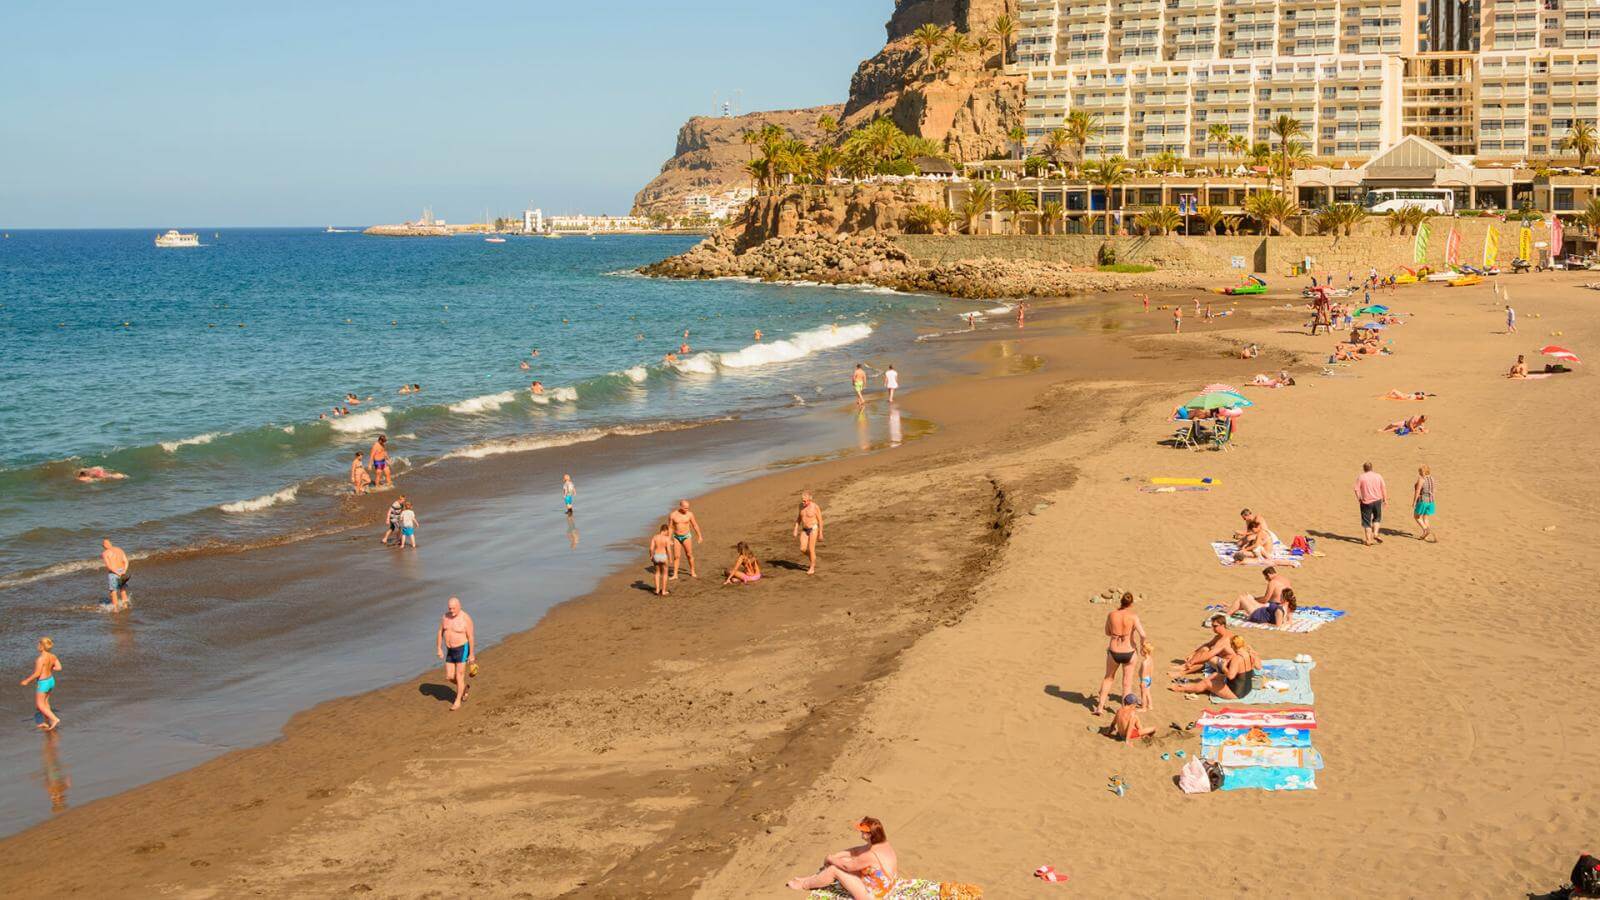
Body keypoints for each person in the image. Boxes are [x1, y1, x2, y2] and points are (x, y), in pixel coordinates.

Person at [785, 817, 898, 898]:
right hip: (884, 886)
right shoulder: (882, 844)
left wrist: (830, 859)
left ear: (868, 834)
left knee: (834, 870)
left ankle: (805, 885)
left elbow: (847, 867)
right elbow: (855, 851)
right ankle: (812, 878)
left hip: (875, 896)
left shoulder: (870, 855)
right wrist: (836, 856)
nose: (861, 834)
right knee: (842, 860)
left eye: (862, 832)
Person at [1094, 592, 1148, 716]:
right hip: (1129, 651)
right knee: (1127, 683)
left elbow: (1107, 632)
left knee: (1108, 678)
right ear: (1131, 603)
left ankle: (1100, 707)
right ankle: (1125, 710)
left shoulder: (1112, 615)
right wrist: (1142, 646)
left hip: (1114, 651)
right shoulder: (1133, 616)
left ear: (1121, 602)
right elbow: (1143, 634)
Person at [1171, 635, 1260, 699]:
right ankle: (1193, 686)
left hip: (1236, 693)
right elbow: (1258, 666)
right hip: (1248, 688)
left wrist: (1224, 666)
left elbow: (1230, 676)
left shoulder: (1236, 659)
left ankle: (1182, 688)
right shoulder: (1250, 654)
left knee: (1207, 683)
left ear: (1233, 646)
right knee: (1215, 675)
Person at [435, 597, 476, 711]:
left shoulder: (465, 618)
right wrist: (439, 648)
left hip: (462, 648)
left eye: (454, 608)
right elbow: (440, 632)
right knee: (449, 676)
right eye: (450, 608)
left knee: (459, 675)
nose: (451, 611)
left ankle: (457, 701)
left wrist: (471, 654)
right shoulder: (445, 617)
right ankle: (464, 688)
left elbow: (471, 637)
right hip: (450, 650)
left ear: (459, 606)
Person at [21, 637, 62, 731]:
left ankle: (55, 719)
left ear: (42, 646)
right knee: (45, 702)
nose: (37, 646)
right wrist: (51, 668)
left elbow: (37, 673)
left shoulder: (40, 659)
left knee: (40, 705)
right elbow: (59, 668)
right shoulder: (53, 656)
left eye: (38, 644)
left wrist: (26, 681)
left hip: (43, 683)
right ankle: (46, 722)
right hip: (51, 681)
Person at [1355, 461, 1388, 546]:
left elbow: (1356, 489)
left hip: (1366, 502)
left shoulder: (1361, 477)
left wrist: (1359, 498)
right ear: (1371, 468)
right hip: (1377, 500)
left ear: (1364, 468)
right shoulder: (1378, 476)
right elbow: (1383, 488)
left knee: (1366, 521)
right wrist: (1385, 499)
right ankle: (1376, 533)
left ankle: (1368, 540)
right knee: (1377, 518)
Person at [668, 499, 703, 579]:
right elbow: (670, 527)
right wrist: (669, 539)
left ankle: (692, 571)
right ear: (681, 507)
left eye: (688, 508)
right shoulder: (673, 515)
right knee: (676, 556)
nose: (687, 510)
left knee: (689, 554)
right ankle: (675, 575)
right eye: (685, 508)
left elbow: (695, 525)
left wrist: (699, 536)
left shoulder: (690, 514)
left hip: (686, 536)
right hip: (676, 537)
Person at [794, 491, 824, 575]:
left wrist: (820, 533)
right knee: (802, 549)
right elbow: (799, 518)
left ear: (809, 500)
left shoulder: (815, 507)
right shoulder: (800, 506)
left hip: (813, 529)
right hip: (804, 529)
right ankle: (811, 556)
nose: (803, 502)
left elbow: (820, 520)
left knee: (811, 549)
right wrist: (796, 528)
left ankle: (812, 567)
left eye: (805, 501)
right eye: (802, 500)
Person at [101, 538, 130, 610]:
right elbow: (126, 561)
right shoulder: (119, 550)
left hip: (114, 573)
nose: (103, 546)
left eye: (103, 544)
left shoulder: (105, 553)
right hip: (122, 571)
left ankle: (116, 609)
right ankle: (125, 606)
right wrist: (124, 571)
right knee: (123, 590)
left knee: (113, 592)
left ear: (105, 545)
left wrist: (117, 573)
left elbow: (109, 566)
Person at [1413, 464, 1437, 542]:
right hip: (1431, 501)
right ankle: (1426, 534)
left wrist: (1414, 502)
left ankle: (1425, 529)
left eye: (1420, 471)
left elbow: (1417, 491)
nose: (1419, 473)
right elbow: (1434, 490)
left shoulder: (1422, 479)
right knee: (1425, 517)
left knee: (1416, 516)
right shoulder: (1432, 479)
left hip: (1423, 500)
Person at [1138, 641, 1155, 711]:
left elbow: (1143, 673)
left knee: (1143, 694)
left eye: (1141, 650)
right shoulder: (1150, 659)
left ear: (1143, 651)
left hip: (1144, 679)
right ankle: (1150, 705)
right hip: (1149, 678)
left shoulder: (1144, 662)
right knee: (1148, 693)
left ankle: (1143, 707)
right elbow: (1152, 669)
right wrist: (1150, 678)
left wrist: (1142, 682)